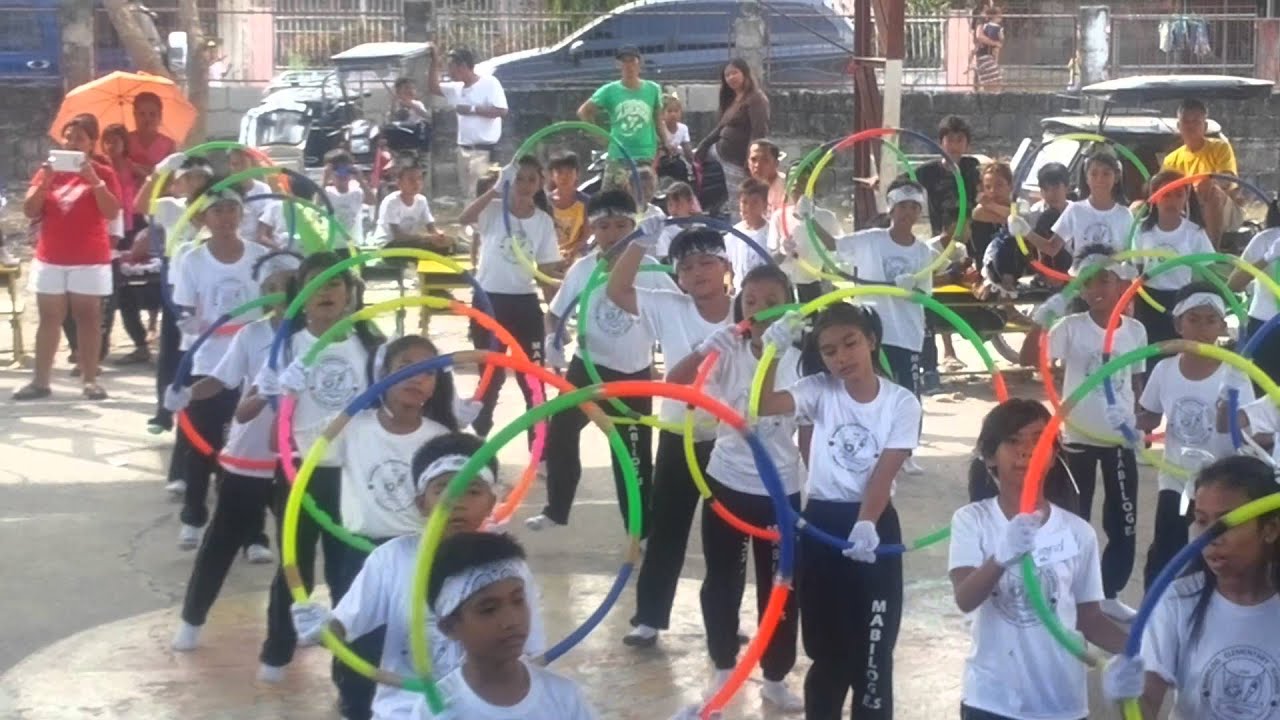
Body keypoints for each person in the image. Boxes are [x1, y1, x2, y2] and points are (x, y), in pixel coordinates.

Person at [289, 433, 548, 720]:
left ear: (491, 502)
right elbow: (342, 626)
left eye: (472, 491)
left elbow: (530, 652)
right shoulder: (391, 559)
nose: (458, 503)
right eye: (442, 489)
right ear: (421, 503)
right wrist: (321, 627)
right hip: (404, 711)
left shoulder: (508, 565)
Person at [755, 302, 921, 719]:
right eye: (829, 350)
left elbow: (884, 473)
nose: (841, 357)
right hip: (822, 524)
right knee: (827, 649)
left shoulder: (902, 403)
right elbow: (762, 404)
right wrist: (771, 352)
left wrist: (866, 523)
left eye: (850, 343)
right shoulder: (817, 389)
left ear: (871, 341)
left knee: (873, 648)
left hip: (874, 522)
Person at [667, 264, 805, 712]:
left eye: (771, 301)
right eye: (751, 302)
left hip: (781, 487)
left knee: (780, 584)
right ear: (739, 305)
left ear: (790, 301)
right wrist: (703, 350)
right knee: (723, 577)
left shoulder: (803, 354)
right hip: (728, 478)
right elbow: (675, 384)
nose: (761, 310)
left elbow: (813, 419)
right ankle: (723, 666)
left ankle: (776, 675)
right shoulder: (727, 349)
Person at [951, 398, 1128, 720]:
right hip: (990, 700)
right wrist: (1001, 557)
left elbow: (1089, 619)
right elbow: (965, 598)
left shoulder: (1078, 532)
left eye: (1038, 439)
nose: (1026, 451)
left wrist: (1135, 654)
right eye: (1013, 441)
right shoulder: (971, 520)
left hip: (1061, 702)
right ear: (990, 456)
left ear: (1054, 452)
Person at [253, 251, 385, 684]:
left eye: (334, 283)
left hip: (352, 472)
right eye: (316, 283)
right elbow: (246, 410)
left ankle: (349, 668)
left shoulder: (369, 344)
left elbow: (395, 395)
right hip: (301, 471)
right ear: (301, 296)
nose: (326, 291)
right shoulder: (287, 345)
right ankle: (277, 650)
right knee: (294, 566)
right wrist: (271, 390)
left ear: (349, 293)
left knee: (347, 569)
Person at [607, 224, 733, 648]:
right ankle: (649, 617)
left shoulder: (746, 309)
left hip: (730, 440)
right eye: (688, 266)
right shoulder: (669, 306)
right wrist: (640, 240)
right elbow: (617, 288)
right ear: (678, 275)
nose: (698, 272)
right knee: (667, 529)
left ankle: (725, 621)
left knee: (726, 536)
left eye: (707, 262)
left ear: (726, 267)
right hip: (680, 434)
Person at [170, 253, 300, 652]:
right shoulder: (252, 335)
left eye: (294, 286)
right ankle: (192, 619)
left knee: (296, 550)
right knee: (221, 542)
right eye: (278, 288)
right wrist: (186, 393)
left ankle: (291, 626)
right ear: (265, 295)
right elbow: (221, 380)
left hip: (298, 457)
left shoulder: (320, 337)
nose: (288, 294)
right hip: (249, 455)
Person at [528, 190, 676, 534]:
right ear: (593, 228)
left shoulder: (651, 269)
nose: (613, 233)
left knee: (634, 459)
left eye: (622, 225)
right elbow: (555, 314)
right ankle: (556, 510)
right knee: (560, 433)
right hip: (587, 369)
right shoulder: (583, 270)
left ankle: (640, 530)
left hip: (633, 375)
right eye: (604, 226)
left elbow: (680, 310)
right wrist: (554, 338)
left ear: (634, 227)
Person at [1101, 455, 1280, 719]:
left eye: (1227, 522)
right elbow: (1145, 708)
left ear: (1271, 529)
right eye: (1202, 521)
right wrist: (1125, 699)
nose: (1211, 538)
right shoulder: (1177, 601)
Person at [1037, 245, 1148, 622]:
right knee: (1073, 518)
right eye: (1088, 281)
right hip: (1077, 439)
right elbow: (1028, 360)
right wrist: (1041, 321)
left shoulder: (1136, 331)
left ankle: (1110, 591)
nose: (1098, 287)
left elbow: (1137, 382)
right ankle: (1070, 591)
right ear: (1080, 288)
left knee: (1123, 518)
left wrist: (1138, 425)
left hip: (1118, 441)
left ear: (1120, 284)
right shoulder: (1069, 328)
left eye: (1106, 278)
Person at [170, 186, 271, 549]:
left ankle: (254, 533)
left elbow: (277, 302)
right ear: (203, 218)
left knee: (251, 451)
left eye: (233, 209)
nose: (227, 217)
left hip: (256, 362)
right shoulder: (193, 260)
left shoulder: (261, 257)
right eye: (218, 211)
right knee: (203, 444)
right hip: (210, 360)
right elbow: (184, 307)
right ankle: (194, 517)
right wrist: (189, 324)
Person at [1136, 285, 1253, 590]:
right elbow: (1147, 418)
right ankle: (1154, 614)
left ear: (1222, 326)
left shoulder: (1235, 374)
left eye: (1210, 320)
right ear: (1178, 324)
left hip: (1221, 484)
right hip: (1176, 480)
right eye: (1194, 319)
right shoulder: (1164, 369)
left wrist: (1232, 398)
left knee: (1216, 557)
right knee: (1167, 552)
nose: (1202, 328)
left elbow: (1244, 431)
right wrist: (1124, 421)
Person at [417, 532, 593, 719]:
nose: (512, 621)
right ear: (449, 627)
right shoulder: (437, 710)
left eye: (518, 600)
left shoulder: (564, 697)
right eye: (488, 609)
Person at [15, 113, 121, 401]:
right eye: (68, 136)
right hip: (51, 257)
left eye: (80, 138)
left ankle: (90, 380)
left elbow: (112, 213)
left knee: (88, 318)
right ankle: (40, 381)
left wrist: (94, 180)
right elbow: (30, 210)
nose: (73, 142)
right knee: (50, 318)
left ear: (90, 144)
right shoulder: (46, 171)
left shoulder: (104, 173)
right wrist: (45, 182)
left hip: (90, 258)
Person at [832, 178, 934, 475]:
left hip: (907, 333)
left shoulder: (922, 252)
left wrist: (912, 287)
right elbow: (833, 247)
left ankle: (906, 451)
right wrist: (807, 219)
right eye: (902, 206)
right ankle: (869, 447)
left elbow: (927, 295)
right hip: (871, 333)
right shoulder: (871, 240)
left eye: (914, 207)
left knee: (907, 394)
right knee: (869, 391)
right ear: (891, 208)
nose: (908, 212)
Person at [462, 157, 560, 439]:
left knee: (533, 380)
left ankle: (539, 447)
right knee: (490, 379)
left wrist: (554, 318)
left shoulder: (543, 221)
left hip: (525, 305)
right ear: (510, 180)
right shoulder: (493, 211)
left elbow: (545, 271)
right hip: (489, 303)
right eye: (520, 178)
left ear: (541, 183)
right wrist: (495, 189)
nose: (526, 185)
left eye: (532, 179)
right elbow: (464, 218)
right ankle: (479, 440)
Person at [133, 155, 214, 434]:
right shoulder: (171, 208)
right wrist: (158, 171)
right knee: (170, 352)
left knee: (204, 351)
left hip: (208, 291)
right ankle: (164, 411)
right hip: (176, 291)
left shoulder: (218, 207)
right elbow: (139, 205)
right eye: (189, 177)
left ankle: (199, 409)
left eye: (201, 177)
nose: (195, 183)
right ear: (179, 183)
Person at [1132, 170, 1213, 361]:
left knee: (1179, 355)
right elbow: (1136, 267)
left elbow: (1204, 273)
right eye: (1166, 194)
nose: (1172, 201)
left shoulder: (1195, 233)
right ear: (1154, 197)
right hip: (1148, 299)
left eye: (1179, 195)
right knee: (1149, 353)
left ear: (1186, 198)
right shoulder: (1142, 230)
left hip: (1181, 299)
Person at [1017, 152, 1131, 266]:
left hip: (1113, 280)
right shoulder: (1075, 210)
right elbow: (1051, 248)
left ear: (1116, 177)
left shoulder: (1125, 215)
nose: (1100, 179)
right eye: (1094, 174)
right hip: (1081, 281)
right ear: (1087, 178)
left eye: (1106, 174)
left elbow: (1131, 254)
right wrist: (1025, 231)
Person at [577, 46, 665, 191]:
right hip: (618, 155)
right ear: (618, 65)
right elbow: (584, 112)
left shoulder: (653, 89)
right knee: (610, 198)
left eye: (632, 61)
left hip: (644, 155)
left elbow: (658, 121)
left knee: (642, 198)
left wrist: (666, 141)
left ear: (639, 63)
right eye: (624, 61)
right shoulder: (609, 91)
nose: (629, 65)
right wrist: (601, 137)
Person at [428, 47, 509, 200]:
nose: (449, 71)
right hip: (463, 149)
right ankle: (471, 223)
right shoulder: (456, 88)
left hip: (483, 150)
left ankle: (482, 222)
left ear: (463, 66)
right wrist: (434, 63)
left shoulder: (489, 83)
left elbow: (501, 111)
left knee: (481, 192)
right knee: (467, 193)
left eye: (451, 66)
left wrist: (472, 109)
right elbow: (434, 87)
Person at [1161, 98, 1243, 245]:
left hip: (1225, 210)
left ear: (1204, 126)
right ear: (1179, 126)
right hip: (1187, 207)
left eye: (1196, 122)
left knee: (1211, 189)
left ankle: (1211, 251)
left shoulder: (1220, 148)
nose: (1191, 126)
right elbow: (1162, 187)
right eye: (1186, 121)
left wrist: (1207, 184)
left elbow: (1228, 179)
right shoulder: (1171, 159)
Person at [694, 59, 769, 212]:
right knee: (688, 161)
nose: (731, 78)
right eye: (727, 75)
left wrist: (751, 162)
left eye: (734, 73)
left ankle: (738, 231)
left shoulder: (756, 99)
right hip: (720, 151)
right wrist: (703, 146)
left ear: (745, 74)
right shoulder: (733, 99)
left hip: (736, 159)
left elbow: (758, 133)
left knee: (739, 202)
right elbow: (721, 127)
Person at [771, 164, 840, 304]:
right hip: (786, 287)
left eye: (802, 180)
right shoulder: (779, 217)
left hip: (814, 285)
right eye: (793, 179)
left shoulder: (827, 218)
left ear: (812, 184)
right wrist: (783, 251)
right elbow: (771, 260)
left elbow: (838, 253)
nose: (796, 183)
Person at [1229, 205, 1280, 385]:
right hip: (1264, 327)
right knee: (1261, 391)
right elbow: (1233, 284)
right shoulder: (1265, 240)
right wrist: (1267, 258)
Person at [916, 115, 982, 236]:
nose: (954, 146)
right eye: (950, 140)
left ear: (967, 145)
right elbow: (902, 182)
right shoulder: (928, 171)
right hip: (941, 239)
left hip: (971, 238)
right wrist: (879, 181)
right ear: (941, 143)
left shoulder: (972, 167)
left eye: (960, 140)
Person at [374, 160, 449, 251]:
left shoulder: (422, 200)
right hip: (387, 245)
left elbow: (431, 228)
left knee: (449, 244)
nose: (417, 183)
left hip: (408, 244)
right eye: (411, 179)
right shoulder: (391, 202)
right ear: (399, 183)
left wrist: (438, 235)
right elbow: (398, 236)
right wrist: (426, 238)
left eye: (419, 178)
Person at [323, 149, 373, 255]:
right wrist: (325, 179)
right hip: (333, 246)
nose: (342, 175)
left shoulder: (357, 191)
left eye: (346, 170)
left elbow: (372, 201)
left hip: (354, 245)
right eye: (337, 171)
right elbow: (315, 204)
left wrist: (361, 180)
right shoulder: (326, 192)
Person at [726, 178, 771, 293]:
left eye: (754, 202)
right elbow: (728, 264)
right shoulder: (733, 233)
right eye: (744, 202)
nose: (748, 207)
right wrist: (729, 284)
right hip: (740, 293)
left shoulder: (771, 233)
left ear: (765, 204)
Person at [125, 91, 177, 184]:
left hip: (158, 194)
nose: (147, 119)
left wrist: (139, 169)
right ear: (134, 115)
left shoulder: (168, 145)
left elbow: (170, 176)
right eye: (142, 114)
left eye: (152, 114)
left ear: (160, 116)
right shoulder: (125, 140)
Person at [547, 153, 588, 263]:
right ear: (552, 175)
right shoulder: (545, 202)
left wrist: (572, 252)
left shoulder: (585, 202)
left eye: (569, 172)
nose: (564, 177)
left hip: (577, 253)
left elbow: (586, 234)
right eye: (559, 172)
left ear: (577, 174)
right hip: (549, 254)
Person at [656, 182, 697, 260]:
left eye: (679, 205)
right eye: (670, 205)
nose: (674, 209)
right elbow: (664, 257)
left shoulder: (700, 224)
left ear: (690, 202)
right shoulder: (665, 228)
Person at [747, 139, 786, 214]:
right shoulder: (749, 187)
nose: (757, 165)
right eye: (753, 159)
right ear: (748, 162)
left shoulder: (786, 187)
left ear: (776, 163)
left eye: (765, 160)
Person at [659, 94, 694, 174]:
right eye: (669, 111)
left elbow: (687, 149)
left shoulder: (683, 128)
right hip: (661, 160)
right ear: (662, 114)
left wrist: (694, 163)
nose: (673, 114)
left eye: (676, 111)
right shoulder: (660, 127)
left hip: (675, 159)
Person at [973, 5, 1004, 91]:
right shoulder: (981, 22)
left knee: (992, 80)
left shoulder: (987, 24)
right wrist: (996, 44)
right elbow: (980, 36)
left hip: (986, 55)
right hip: (984, 55)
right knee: (992, 82)